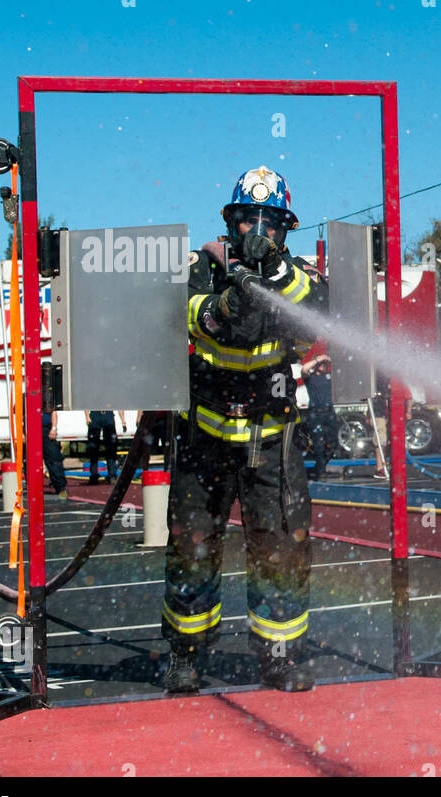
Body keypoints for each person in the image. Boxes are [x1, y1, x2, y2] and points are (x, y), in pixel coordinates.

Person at [162, 166, 327, 694]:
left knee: (280, 546)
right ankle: (186, 654)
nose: (259, 230)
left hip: (270, 440)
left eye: (271, 223)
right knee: (193, 546)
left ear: (285, 229)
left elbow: (319, 310)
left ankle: (279, 656)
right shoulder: (202, 267)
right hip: (204, 440)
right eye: (248, 219)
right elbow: (184, 315)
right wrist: (221, 304)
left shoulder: (296, 275)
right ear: (230, 221)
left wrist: (275, 272)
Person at [300, 353, 337, 481]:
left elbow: (342, 370)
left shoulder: (328, 376)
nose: (323, 366)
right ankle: (320, 471)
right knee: (318, 444)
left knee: (333, 443)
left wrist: (330, 360)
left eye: (324, 364)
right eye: (321, 364)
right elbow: (304, 369)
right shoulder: (309, 377)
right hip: (316, 412)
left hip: (329, 412)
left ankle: (318, 468)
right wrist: (318, 359)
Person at [82, 409, 127, 484]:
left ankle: (112, 475)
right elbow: (86, 403)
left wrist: (123, 421)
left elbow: (119, 405)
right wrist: (87, 416)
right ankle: (94, 475)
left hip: (108, 415)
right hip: (95, 414)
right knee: (93, 447)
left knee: (111, 447)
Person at [40, 410, 69, 500]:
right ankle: (33, 488)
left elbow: (53, 412)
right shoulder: (24, 399)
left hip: (46, 430)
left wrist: (53, 428)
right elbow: (20, 415)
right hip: (31, 429)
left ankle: (60, 486)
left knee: (54, 459)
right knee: (30, 462)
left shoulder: (46, 397)